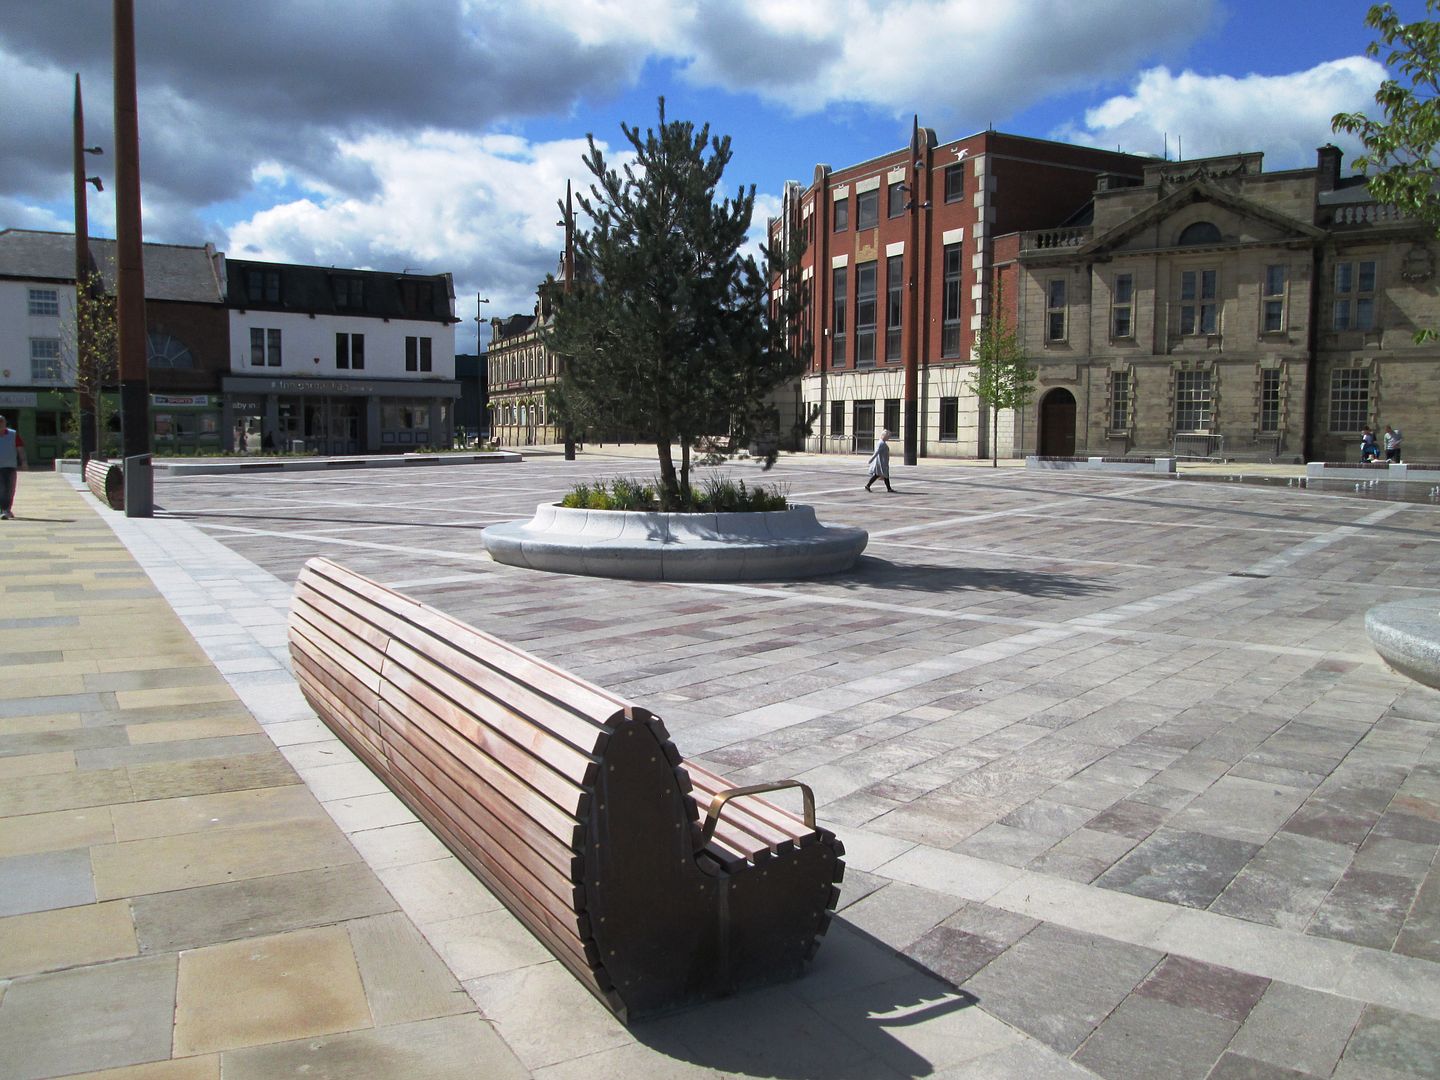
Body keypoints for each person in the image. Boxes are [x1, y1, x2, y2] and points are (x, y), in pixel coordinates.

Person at [0, 414, 26, 520]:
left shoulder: (13, 434)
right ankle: (3, 510)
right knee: (1, 489)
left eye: (2, 422)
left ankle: (7, 509)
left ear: (5, 423)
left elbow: (20, 448)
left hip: (10, 466)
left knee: (10, 489)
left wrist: (24, 461)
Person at [865, 428, 894, 492]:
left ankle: (888, 488)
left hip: (883, 461)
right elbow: (876, 452)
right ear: (884, 436)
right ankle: (868, 485)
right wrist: (871, 460)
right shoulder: (881, 443)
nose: (888, 438)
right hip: (881, 462)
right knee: (882, 474)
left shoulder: (882, 443)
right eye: (888, 437)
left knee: (882, 475)